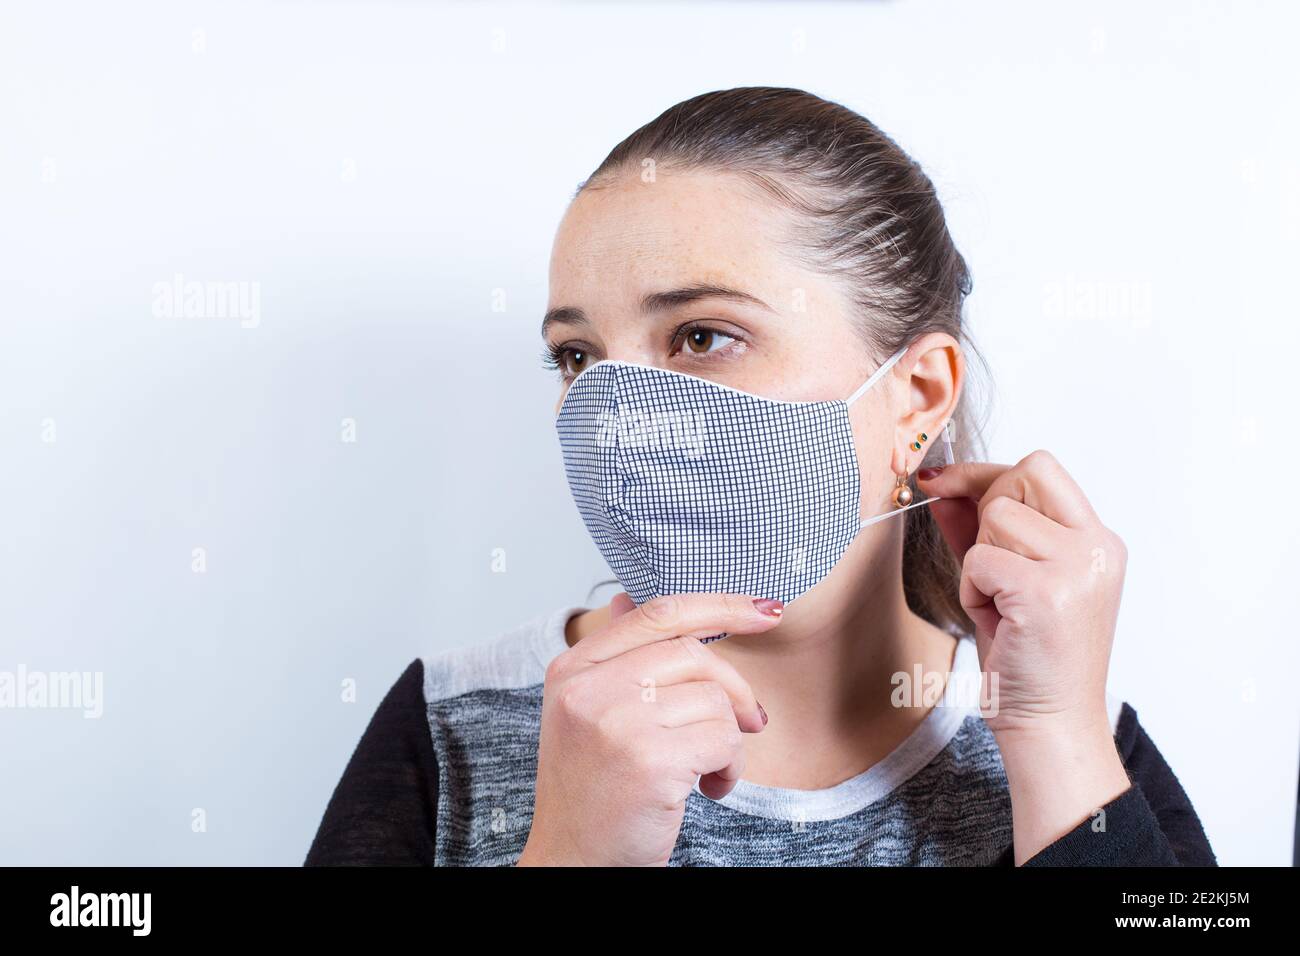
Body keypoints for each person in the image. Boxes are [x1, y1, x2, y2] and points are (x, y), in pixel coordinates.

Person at [305, 87, 1215, 867]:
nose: (615, 419)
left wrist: (1055, 734)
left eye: (702, 336)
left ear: (917, 395)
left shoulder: (1080, 742)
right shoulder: (451, 726)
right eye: (577, 355)